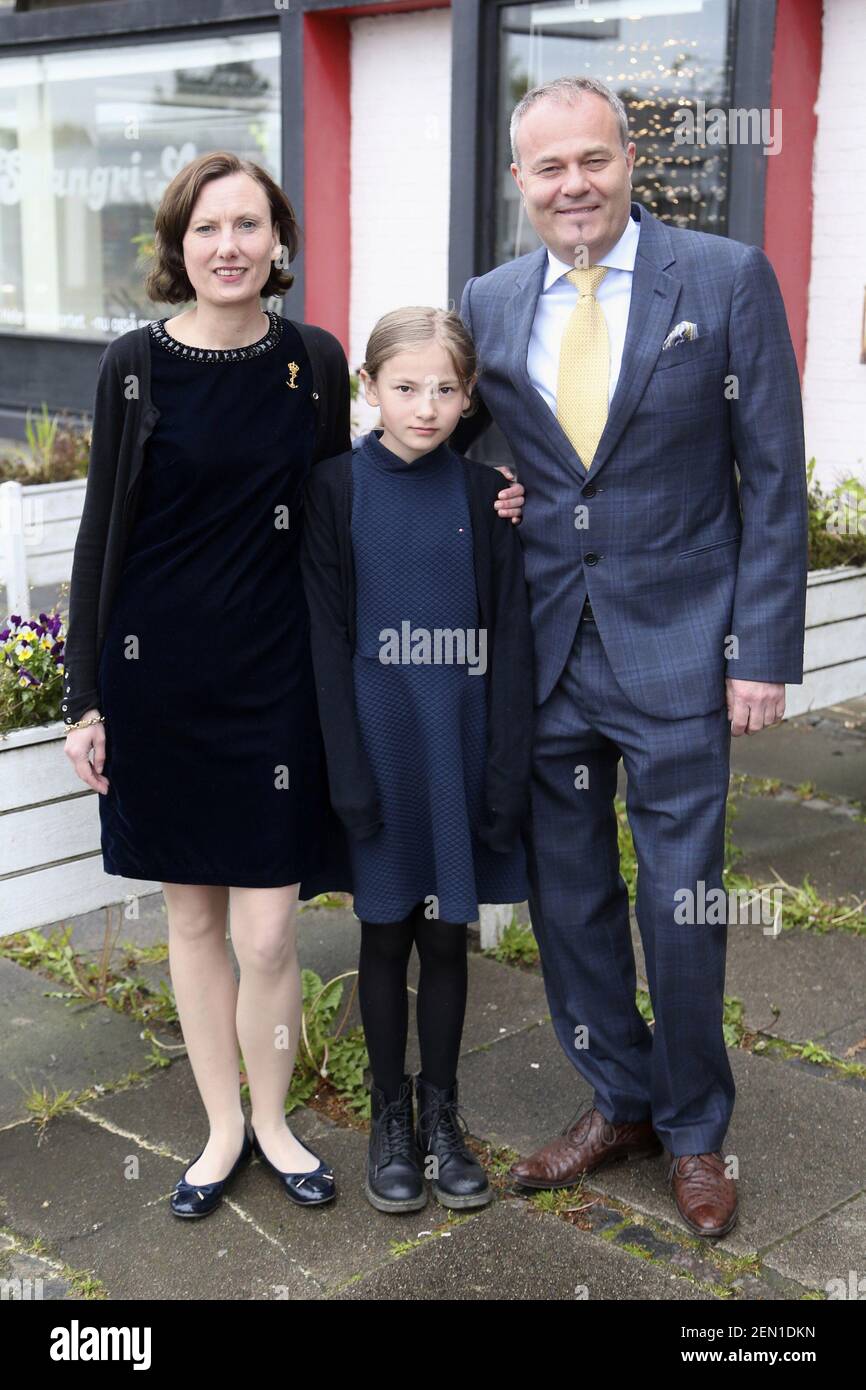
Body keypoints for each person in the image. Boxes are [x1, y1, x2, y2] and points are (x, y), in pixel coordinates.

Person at [62, 152, 525, 1222]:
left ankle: (275, 1118)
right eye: (207, 227)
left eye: (249, 225)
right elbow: (99, 540)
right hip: (159, 686)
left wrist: (495, 492)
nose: (229, 246)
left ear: (278, 242)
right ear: (179, 247)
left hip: (278, 682)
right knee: (191, 924)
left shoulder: (312, 362)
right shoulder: (132, 367)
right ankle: (221, 1128)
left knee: (268, 933)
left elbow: (371, 477)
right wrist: (87, 698)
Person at [449, 77, 809, 1239]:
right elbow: (458, 437)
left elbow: (770, 475)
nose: (572, 185)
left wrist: (759, 650)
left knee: (682, 901)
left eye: (590, 160)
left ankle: (697, 1127)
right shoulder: (490, 301)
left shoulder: (720, 276)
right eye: (547, 168)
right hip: (546, 648)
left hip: (680, 652)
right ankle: (621, 1100)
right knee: (568, 901)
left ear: (624, 158)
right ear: (519, 182)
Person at [300, 307, 534, 1212]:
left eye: (446, 389)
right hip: (380, 743)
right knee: (385, 930)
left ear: (469, 395)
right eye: (405, 388)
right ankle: (389, 1116)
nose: (426, 406)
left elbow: (510, 640)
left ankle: (444, 1114)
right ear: (368, 388)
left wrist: (504, 774)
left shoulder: (487, 498)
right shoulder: (335, 491)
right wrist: (345, 776)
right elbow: (325, 638)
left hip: (460, 748)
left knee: (447, 935)